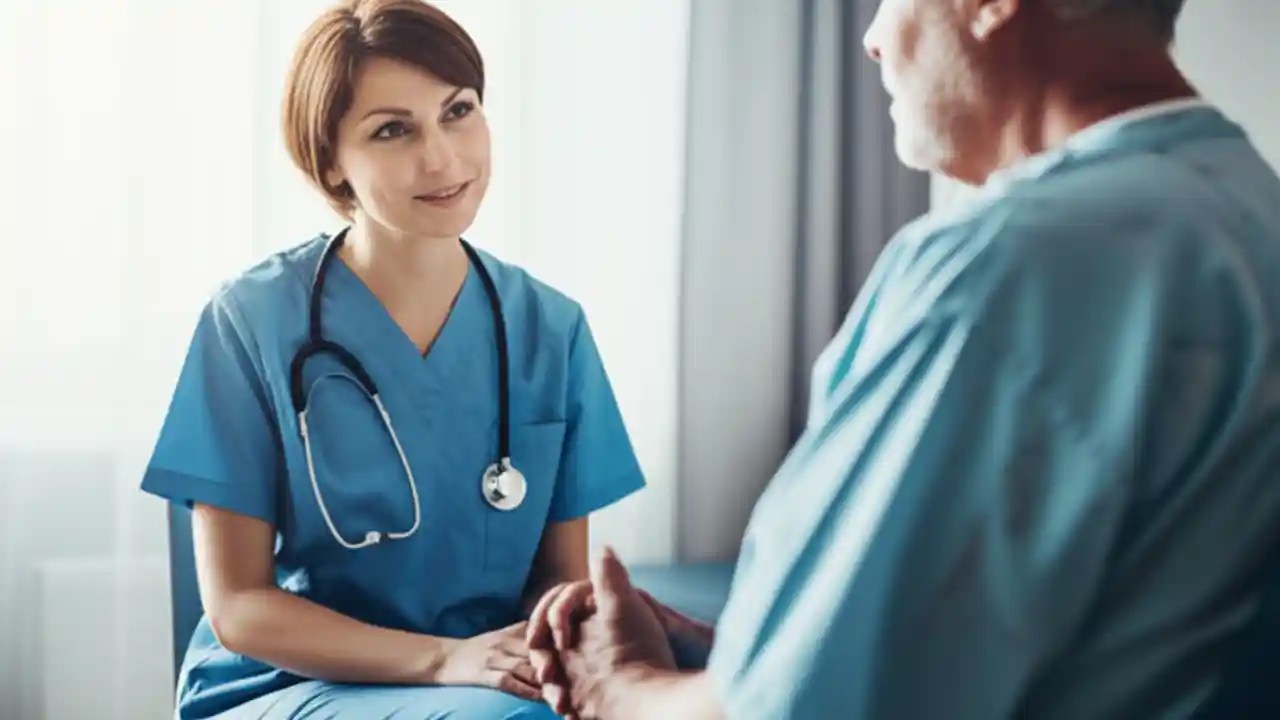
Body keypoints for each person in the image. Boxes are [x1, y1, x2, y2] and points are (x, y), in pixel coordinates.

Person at [528, 0, 1280, 718]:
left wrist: (619, 687)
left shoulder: (1007, 265)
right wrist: (770, 651)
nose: (873, 39)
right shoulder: (1252, 210)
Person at [139, 1, 645, 717]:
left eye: (458, 111)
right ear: (330, 163)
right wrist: (443, 659)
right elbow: (240, 608)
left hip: (487, 678)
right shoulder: (251, 321)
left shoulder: (549, 329)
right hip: (297, 682)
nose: (442, 157)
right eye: (392, 130)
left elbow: (555, 593)